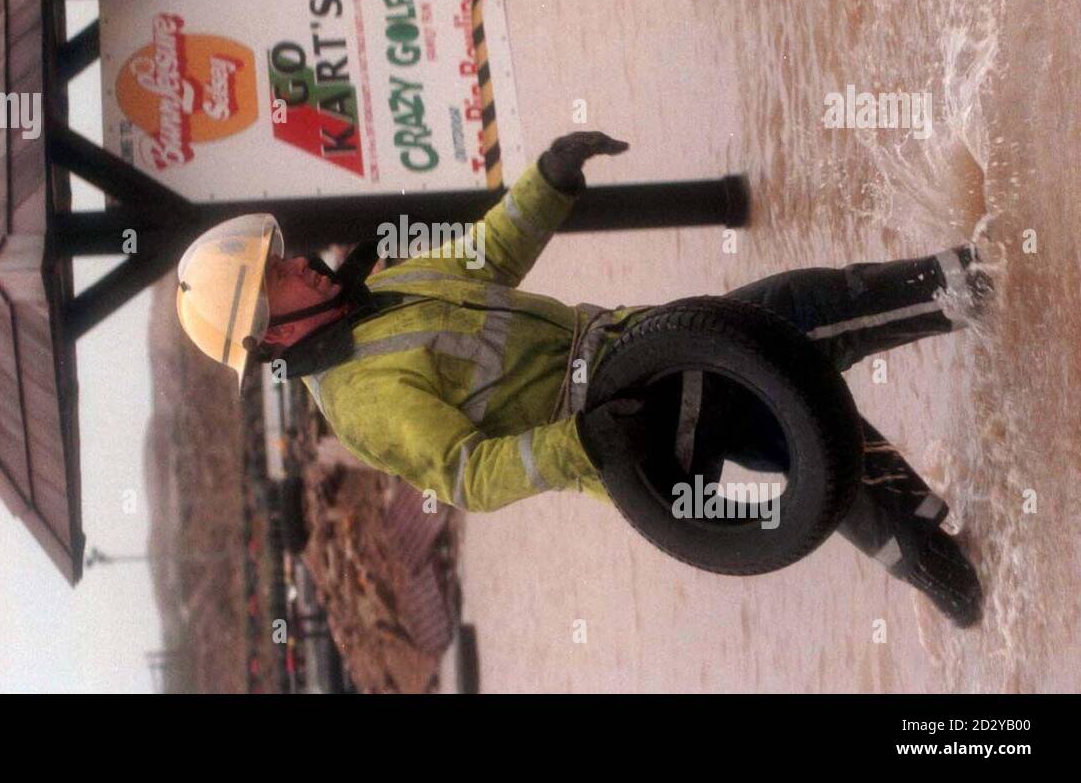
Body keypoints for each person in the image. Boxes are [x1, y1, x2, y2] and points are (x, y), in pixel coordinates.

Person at [176, 132, 986, 626]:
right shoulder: (357, 399)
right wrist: (581, 443)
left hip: (646, 352)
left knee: (825, 443)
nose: (297, 263)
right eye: (278, 275)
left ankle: (974, 593)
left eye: (279, 256)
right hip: (637, 423)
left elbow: (489, 255)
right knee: (805, 314)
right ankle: (986, 282)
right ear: (270, 331)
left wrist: (551, 178)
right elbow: (468, 476)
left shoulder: (374, 293)